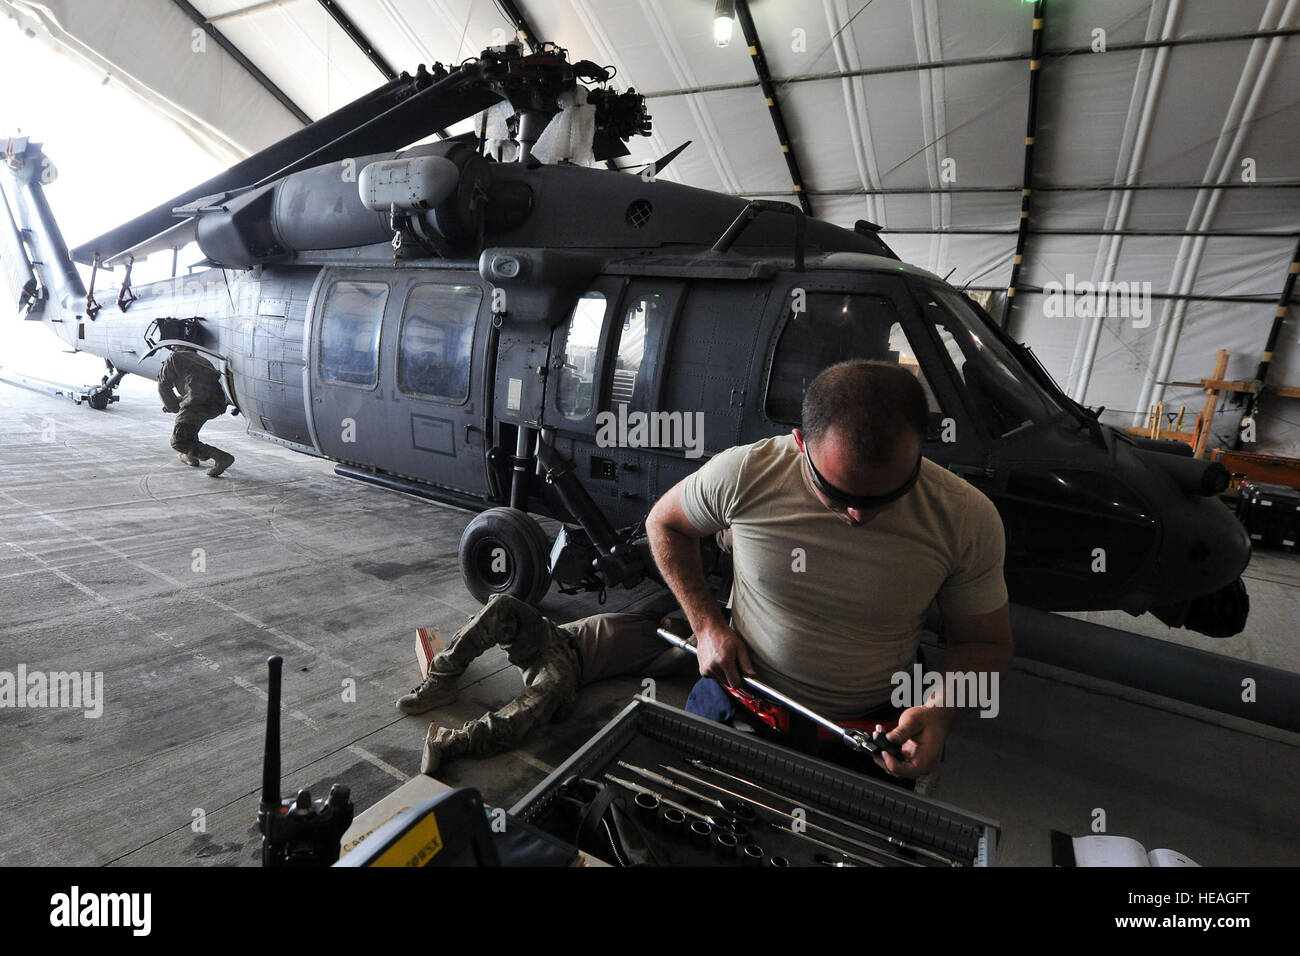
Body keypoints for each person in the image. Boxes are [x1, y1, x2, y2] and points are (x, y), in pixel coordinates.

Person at [645, 359, 1012, 785]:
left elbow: (984, 643)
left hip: (872, 737)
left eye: (889, 496)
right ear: (801, 443)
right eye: (837, 493)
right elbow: (665, 523)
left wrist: (942, 711)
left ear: (921, 449)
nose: (859, 515)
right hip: (738, 704)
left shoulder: (966, 518)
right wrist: (706, 625)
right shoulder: (747, 474)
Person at [398, 592, 689, 775]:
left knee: (542, 699)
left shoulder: (661, 656)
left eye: (683, 622)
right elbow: (673, 591)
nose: (674, 621)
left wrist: (707, 626)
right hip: (552, 636)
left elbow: (695, 646)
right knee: (502, 604)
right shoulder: (645, 617)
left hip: (568, 668)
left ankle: (453, 744)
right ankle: (442, 681)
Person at [158, 345, 235, 477]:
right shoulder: (203, 360)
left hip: (197, 404)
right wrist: (179, 402)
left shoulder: (175, 357)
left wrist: (173, 406)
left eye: (174, 346)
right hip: (215, 404)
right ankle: (190, 456)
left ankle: (220, 457)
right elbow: (196, 387)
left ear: (181, 346)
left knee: (178, 441)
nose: (172, 348)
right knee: (189, 426)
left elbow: (163, 385)